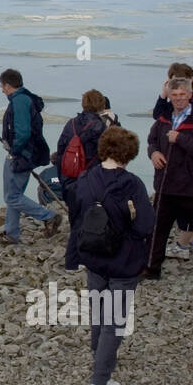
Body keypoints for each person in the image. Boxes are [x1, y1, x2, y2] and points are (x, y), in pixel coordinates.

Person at [68, 127, 154, 385]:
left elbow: (76, 216)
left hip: (93, 257)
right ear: (129, 154)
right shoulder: (132, 184)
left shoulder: (85, 178)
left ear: (103, 148)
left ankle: (99, 354)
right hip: (123, 262)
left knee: (98, 310)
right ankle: (100, 381)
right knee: (114, 320)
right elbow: (145, 226)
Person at [143, 77, 193, 279]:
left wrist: (181, 138)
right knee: (157, 228)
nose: (178, 99)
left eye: (182, 95)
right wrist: (153, 153)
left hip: (190, 187)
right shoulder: (164, 118)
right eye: (174, 95)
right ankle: (152, 268)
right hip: (165, 186)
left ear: (190, 95)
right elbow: (151, 140)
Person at [0, 69, 60, 244]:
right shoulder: (22, 98)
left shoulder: (20, 101)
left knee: (12, 196)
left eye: (2, 86)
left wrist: (14, 151)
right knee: (14, 195)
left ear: (8, 85)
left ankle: (49, 216)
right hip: (24, 154)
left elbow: (23, 132)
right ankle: (12, 233)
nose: (1, 89)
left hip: (21, 156)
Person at [55, 90, 119, 271]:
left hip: (70, 179)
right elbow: (109, 155)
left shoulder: (71, 124)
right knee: (89, 221)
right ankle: (78, 261)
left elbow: (60, 152)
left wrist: (63, 179)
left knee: (76, 220)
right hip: (91, 179)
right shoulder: (101, 127)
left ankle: (73, 261)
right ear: (101, 105)